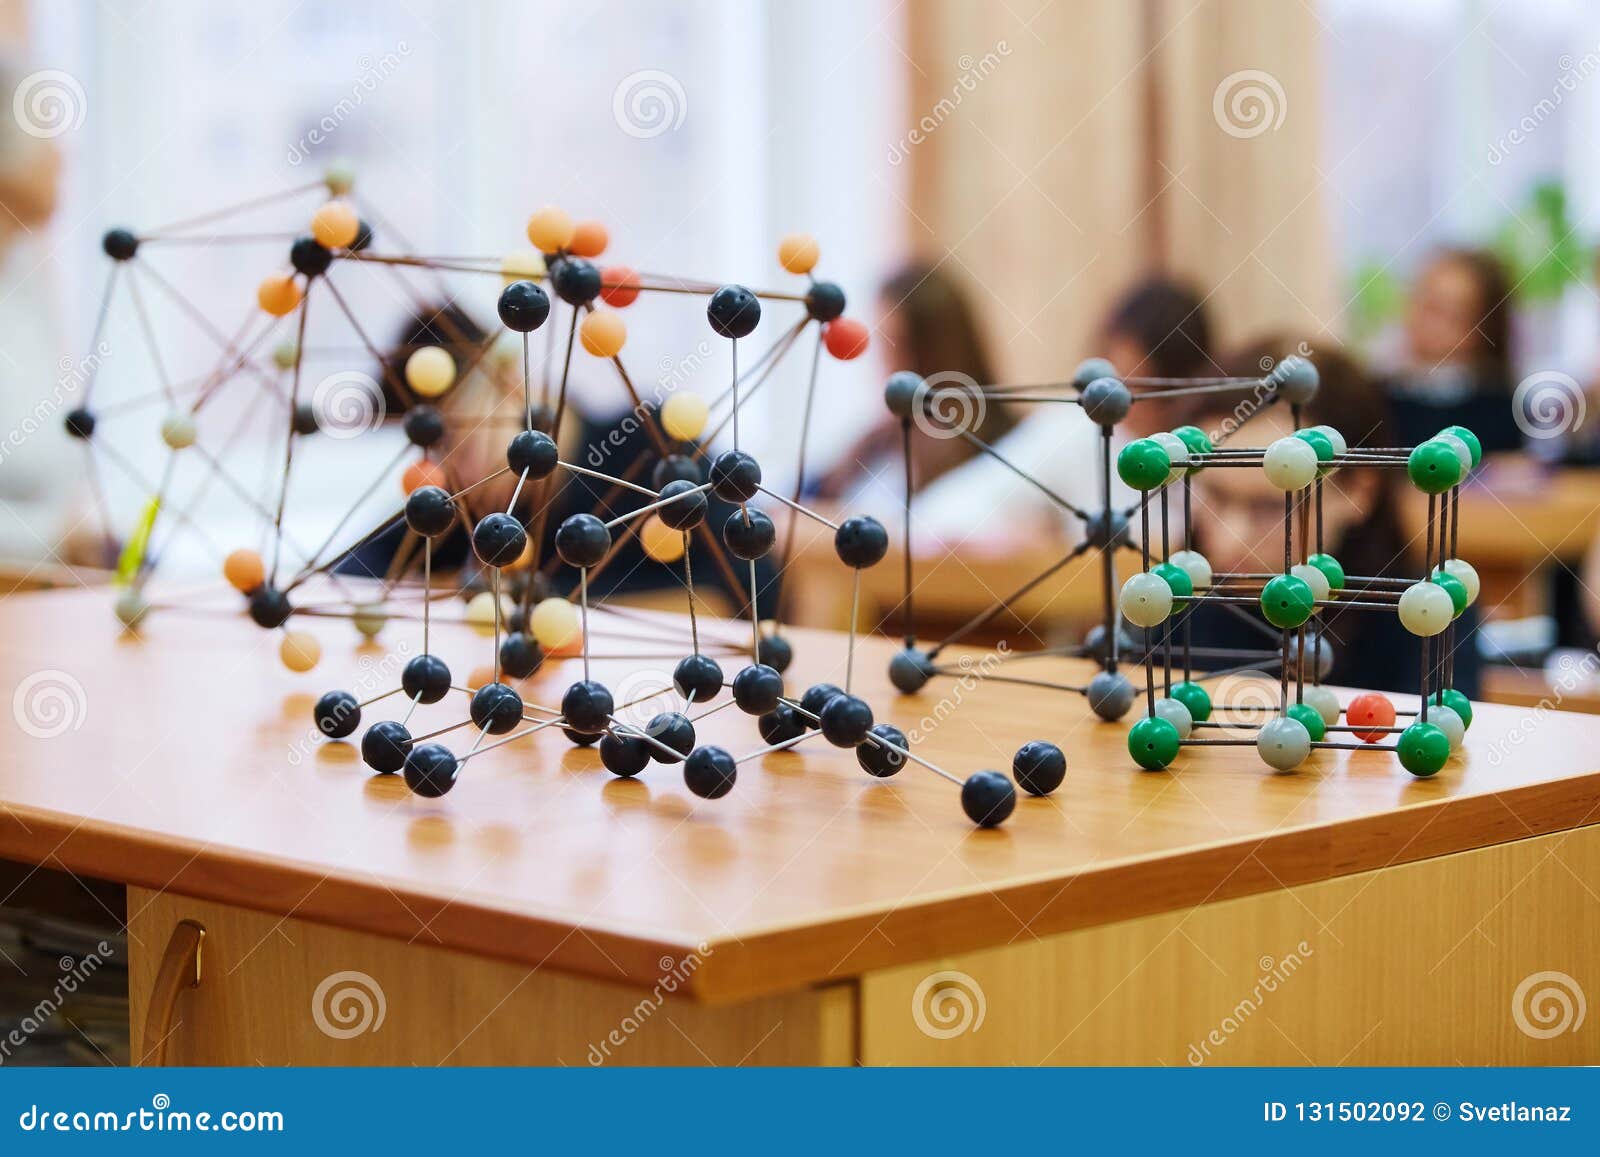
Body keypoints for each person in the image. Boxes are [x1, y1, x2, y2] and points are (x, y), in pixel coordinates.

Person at [1176, 338, 1480, 698]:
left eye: (1270, 506)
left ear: (1359, 489)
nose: (1230, 537)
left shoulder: (1429, 612)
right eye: (1215, 495)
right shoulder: (1174, 604)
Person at [905, 276, 1215, 543]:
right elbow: (943, 515)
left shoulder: (1193, 453)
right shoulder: (1077, 432)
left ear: (1178, 393)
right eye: (1112, 380)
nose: (1117, 403)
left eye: (1139, 388)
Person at [811, 261, 1012, 499]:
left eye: (898, 344)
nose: (885, 361)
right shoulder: (875, 445)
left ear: (937, 354)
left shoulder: (1009, 452)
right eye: (882, 343)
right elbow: (803, 497)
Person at [1380, 248, 1520, 455]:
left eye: (1447, 312)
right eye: (1422, 300)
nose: (1423, 318)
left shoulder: (1500, 410)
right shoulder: (1377, 399)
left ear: (1481, 329)